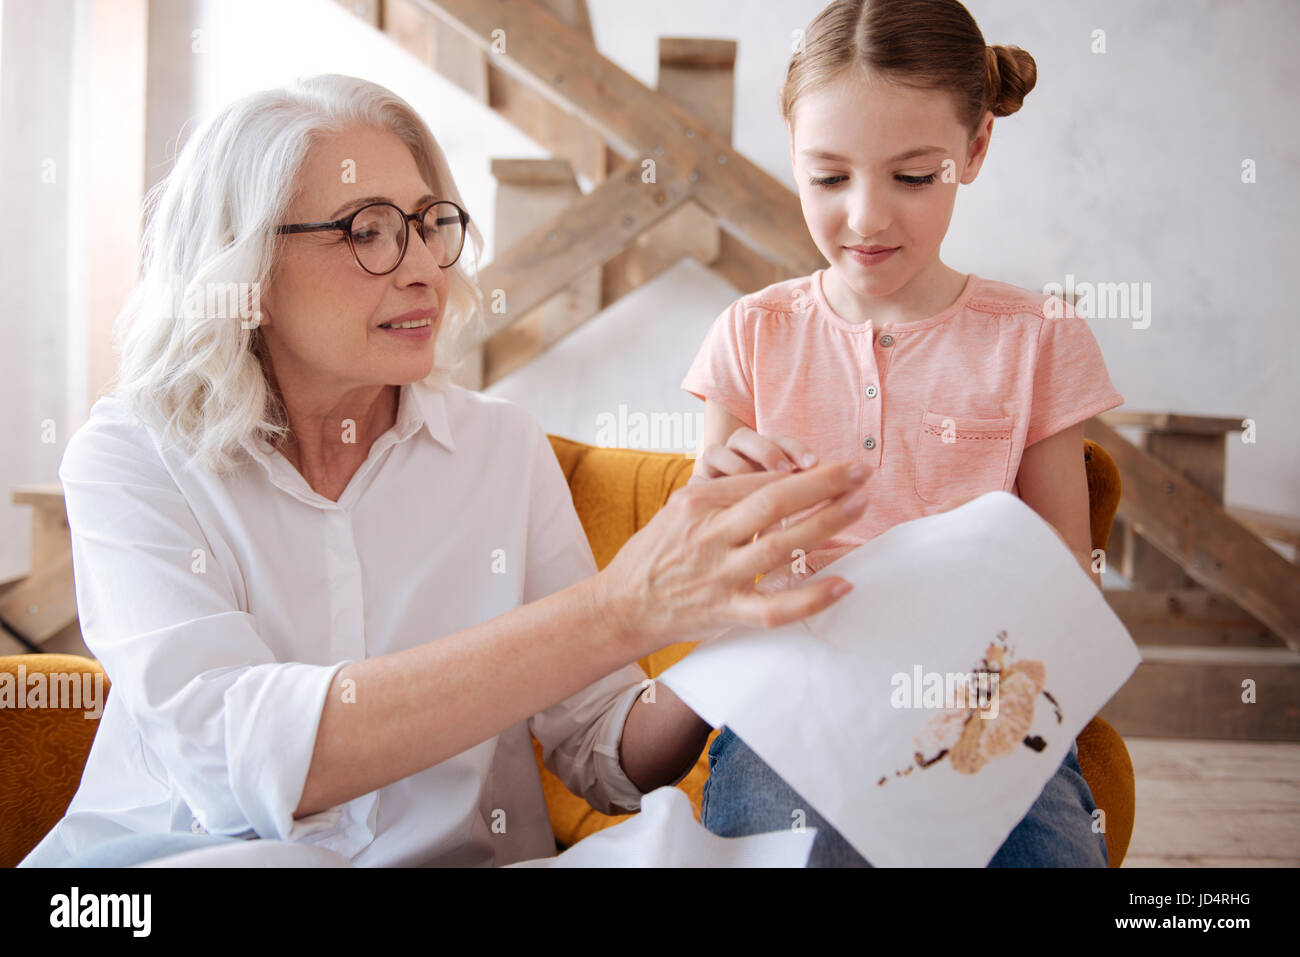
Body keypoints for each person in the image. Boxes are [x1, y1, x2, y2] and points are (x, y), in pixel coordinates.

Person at [19, 74, 871, 868]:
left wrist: (730, 614)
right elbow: (230, 759)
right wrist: (617, 609)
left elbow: (607, 752)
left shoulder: (502, 450)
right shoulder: (132, 458)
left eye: (431, 224)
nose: (427, 266)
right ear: (247, 272)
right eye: (370, 231)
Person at [682, 0, 1122, 866]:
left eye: (913, 178)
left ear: (975, 152)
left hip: (985, 705)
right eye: (828, 177)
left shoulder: (1038, 337)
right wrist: (725, 505)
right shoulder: (753, 333)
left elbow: (1071, 578)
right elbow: (702, 576)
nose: (868, 219)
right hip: (795, 700)